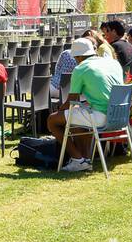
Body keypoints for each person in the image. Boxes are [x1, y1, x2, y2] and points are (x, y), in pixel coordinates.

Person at [49, 37, 124, 172]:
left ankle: (78, 159)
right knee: (77, 118)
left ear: (77, 57)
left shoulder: (81, 69)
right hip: (120, 116)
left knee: (52, 121)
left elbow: (72, 101)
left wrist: (58, 112)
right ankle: (84, 159)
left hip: (101, 117)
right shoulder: (113, 63)